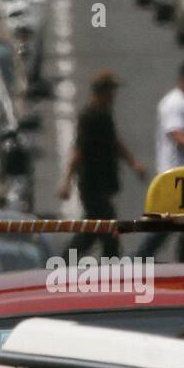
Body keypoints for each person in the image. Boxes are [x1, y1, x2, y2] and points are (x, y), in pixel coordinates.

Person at [60, 70, 146, 256]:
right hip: (91, 185)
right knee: (109, 233)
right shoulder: (90, 117)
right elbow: (78, 151)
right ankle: (108, 272)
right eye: (111, 91)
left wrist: (134, 163)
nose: (114, 95)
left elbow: (115, 143)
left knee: (92, 232)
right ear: (102, 92)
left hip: (102, 184)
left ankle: (64, 262)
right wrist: (67, 182)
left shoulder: (105, 115)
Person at [137, 58, 184, 264]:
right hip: (177, 178)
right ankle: (137, 261)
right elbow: (177, 135)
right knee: (166, 226)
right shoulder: (176, 103)